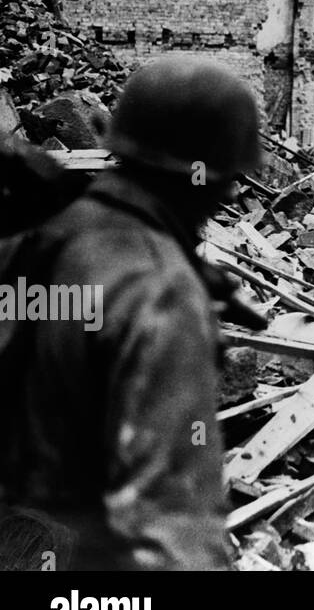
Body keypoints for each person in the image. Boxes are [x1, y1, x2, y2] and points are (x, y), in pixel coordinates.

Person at [0, 55, 263, 568]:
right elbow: (172, 515)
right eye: (228, 179)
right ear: (201, 175)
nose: (230, 194)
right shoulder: (161, 292)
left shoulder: (30, 232)